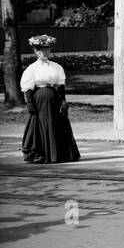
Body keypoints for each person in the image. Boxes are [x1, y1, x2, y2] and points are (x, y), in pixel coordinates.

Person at [20, 34, 79, 164]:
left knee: (58, 124)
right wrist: (30, 104)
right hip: (40, 99)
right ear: (36, 51)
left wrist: (63, 101)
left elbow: (60, 86)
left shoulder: (56, 67)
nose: (45, 52)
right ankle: (39, 154)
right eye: (41, 50)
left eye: (47, 49)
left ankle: (60, 154)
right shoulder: (32, 69)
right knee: (40, 124)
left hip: (54, 99)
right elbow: (27, 88)